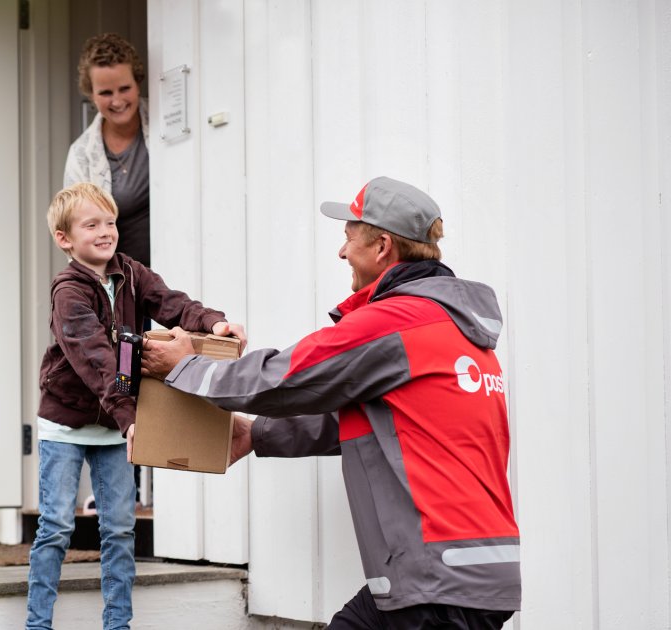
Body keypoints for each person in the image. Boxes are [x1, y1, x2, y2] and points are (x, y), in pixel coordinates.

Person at [142, 177, 521, 629]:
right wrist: (256, 433)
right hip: (445, 571)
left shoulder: (398, 321)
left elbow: (286, 378)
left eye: (348, 237)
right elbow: (375, 419)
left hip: (438, 580)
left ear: (382, 246)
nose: (342, 253)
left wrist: (186, 366)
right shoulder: (453, 329)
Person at [26, 182, 245, 630]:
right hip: (67, 425)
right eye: (92, 225)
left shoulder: (130, 271)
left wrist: (214, 322)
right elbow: (96, 359)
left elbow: (173, 304)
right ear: (65, 238)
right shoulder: (67, 290)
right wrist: (132, 419)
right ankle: (37, 625)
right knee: (55, 529)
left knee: (120, 530)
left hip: (117, 424)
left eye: (110, 222)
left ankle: (118, 625)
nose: (106, 232)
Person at [65, 33, 151, 268]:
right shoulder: (82, 156)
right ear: (91, 94)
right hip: (124, 285)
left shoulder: (168, 127)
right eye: (105, 93)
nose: (117, 101)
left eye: (124, 88)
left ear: (138, 82)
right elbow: (74, 233)